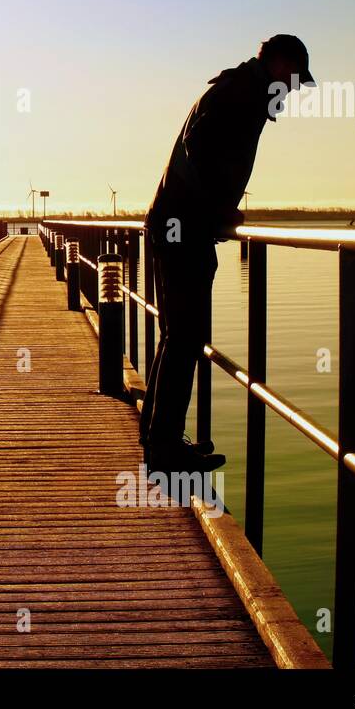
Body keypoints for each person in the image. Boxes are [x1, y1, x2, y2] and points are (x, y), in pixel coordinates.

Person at [139, 35, 314, 473]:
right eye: (293, 79)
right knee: (185, 337)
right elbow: (198, 151)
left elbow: (204, 156)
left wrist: (217, 210)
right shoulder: (241, 93)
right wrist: (216, 209)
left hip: (177, 222)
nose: (291, 91)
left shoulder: (238, 88)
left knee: (177, 336)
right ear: (278, 64)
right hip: (183, 227)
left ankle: (159, 442)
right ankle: (164, 455)